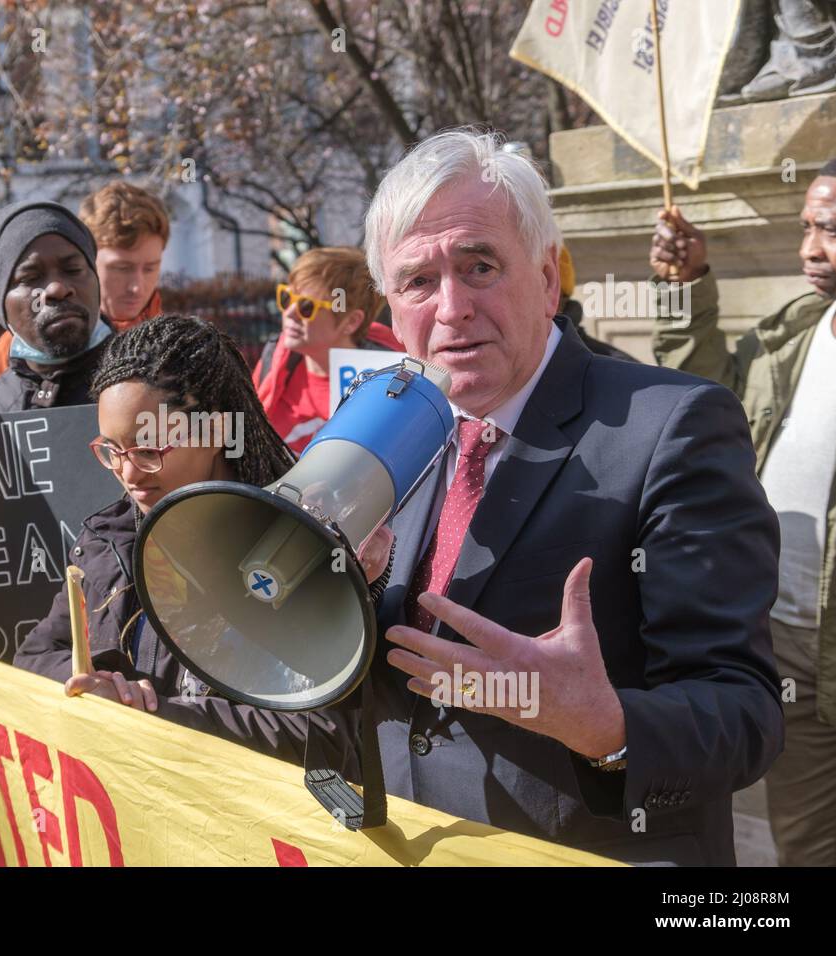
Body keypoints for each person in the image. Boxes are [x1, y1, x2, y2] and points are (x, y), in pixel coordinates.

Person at [317, 129, 779, 865]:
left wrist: (602, 724)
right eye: (417, 282)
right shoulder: (373, 431)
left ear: (544, 279)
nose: (451, 308)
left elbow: (746, 715)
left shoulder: (676, 425)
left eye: (480, 266)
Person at [14, 314, 392, 760]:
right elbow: (35, 656)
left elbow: (324, 735)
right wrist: (97, 682)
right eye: (112, 451)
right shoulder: (107, 537)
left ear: (215, 432)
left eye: (150, 449)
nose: (129, 473)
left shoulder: (292, 550)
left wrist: (156, 718)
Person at [649, 157, 836, 866]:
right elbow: (698, 397)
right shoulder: (795, 329)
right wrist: (682, 288)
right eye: (806, 228)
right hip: (792, 648)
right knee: (809, 851)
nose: (809, 250)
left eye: (831, 231)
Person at [0, 182, 169, 384]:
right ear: (88, 260)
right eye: (121, 268)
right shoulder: (17, 350)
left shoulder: (173, 342)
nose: (136, 287)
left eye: (150, 268)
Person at [0, 201, 111, 416]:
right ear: (0, 304)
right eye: (30, 277)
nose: (57, 289)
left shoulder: (156, 387)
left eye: (73, 269)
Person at [254, 246, 401, 453]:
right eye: (286, 298)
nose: (290, 313)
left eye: (306, 307)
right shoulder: (274, 362)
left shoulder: (388, 384)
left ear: (351, 321)